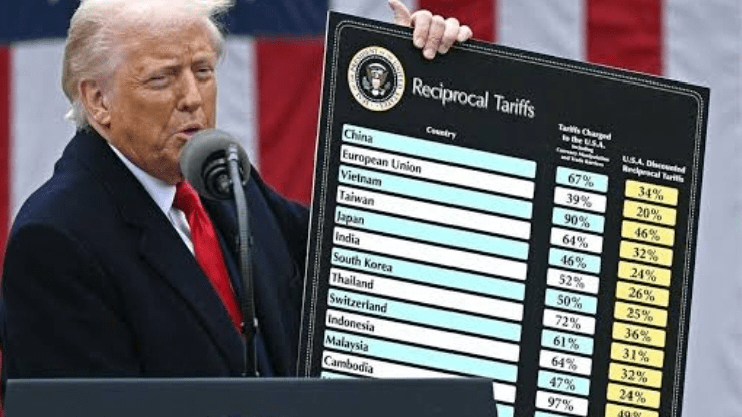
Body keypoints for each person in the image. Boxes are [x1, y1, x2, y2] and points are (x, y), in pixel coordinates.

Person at [0, 0, 472, 381]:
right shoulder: (56, 239)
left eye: (203, 71)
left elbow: (360, 255)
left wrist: (416, 91)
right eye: (162, 78)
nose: (192, 98)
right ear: (98, 99)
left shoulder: (224, 184)